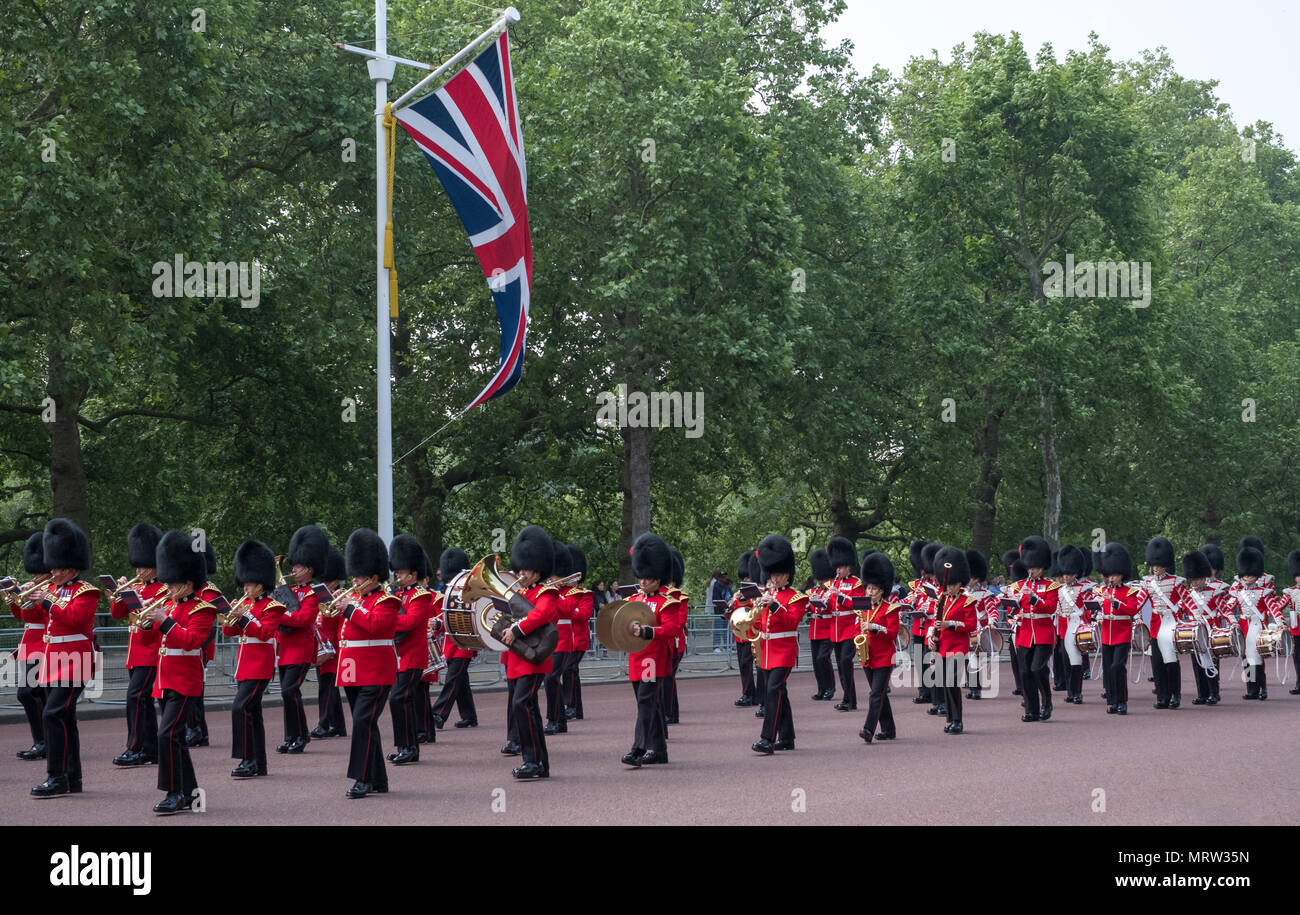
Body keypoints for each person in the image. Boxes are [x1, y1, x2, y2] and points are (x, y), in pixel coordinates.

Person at [140, 529, 216, 814]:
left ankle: (173, 793)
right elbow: (149, 640)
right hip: (165, 680)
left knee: (166, 735)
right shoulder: (167, 606)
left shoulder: (202, 610)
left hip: (186, 681)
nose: (167, 588)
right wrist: (146, 620)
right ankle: (192, 795)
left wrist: (164, 621)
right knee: (177, 739)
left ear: (187, 582)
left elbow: (193, 642)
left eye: (172, 584)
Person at [30, 519, 98, 799]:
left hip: (75, 661)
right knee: (65, 718)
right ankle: (73, 776)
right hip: (52, 661)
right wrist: (23, 600)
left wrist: (46, 600)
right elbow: (33, 619)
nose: (53, 571)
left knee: (52, 713)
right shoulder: (54, 590)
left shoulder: (87, 591)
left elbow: (74, 619)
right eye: (52, 567)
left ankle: (55, 776)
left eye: (57, 568)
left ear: (71, 567)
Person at [336, 528, 401, 798]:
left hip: (376, 671)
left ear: (374, 577)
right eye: (354, 574)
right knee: (366, 723)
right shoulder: (356, 600)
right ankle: (378, 779)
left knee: (363, 722)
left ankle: (362, 778)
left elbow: (375, 626)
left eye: (359, 575)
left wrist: (350, 608)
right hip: (352, 670)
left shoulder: (388, 601)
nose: (355, 579)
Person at [499, 525, 562, 779]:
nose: (521, 573)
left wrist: (516, 628)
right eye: (520, 568)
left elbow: (542, 614)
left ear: (538, 568)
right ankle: (538, 762)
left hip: (534, 657)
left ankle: (532, 760)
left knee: (521, 704)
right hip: (519, 657)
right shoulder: (521, 593)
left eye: (525, 569)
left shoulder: (546, 591)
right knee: (527, 708)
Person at [222, 540, 286, 778]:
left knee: (241, 707)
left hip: (259, 666)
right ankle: (259, 763)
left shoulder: (273, 607)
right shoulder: (245, 604)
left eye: (249, 583)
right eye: (244, 583)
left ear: (261, 584)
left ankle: (247, 760)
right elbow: (229, 632)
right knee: (253, 713)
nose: (245, 587)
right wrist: (232, 616)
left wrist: (246, 616)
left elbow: (265, 633)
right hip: (244, 665)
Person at [622, 533, 683, 767]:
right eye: (641, 577)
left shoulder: (668, 601)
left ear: (658, 578)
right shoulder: (633, 600)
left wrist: (648, 631)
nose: (643, 581)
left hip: (653, 658)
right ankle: (659, 750)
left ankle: (638, 748)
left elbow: (672, 629)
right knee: (648, 703)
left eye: (647, 577)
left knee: (646, 702)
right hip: (636, 658)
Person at [109, 524, 164, 767]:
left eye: (143, 566)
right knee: (141, 702)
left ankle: (135, 747)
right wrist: (120, 593)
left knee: (135, 698)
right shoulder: (139, 586)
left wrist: (138, 599)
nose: (139, 570)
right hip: (135, 653)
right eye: (138, 566)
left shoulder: (163, 589)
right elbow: (116, 612)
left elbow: (152, 622)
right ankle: (149, 749)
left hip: (151, 653)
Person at [751, 536, 807, 754]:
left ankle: (767, 738)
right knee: (779, 692)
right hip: (765, 651)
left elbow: (792, 621)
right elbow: (757, 623)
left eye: (778, 574)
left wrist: (773, 606)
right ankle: (787, 737)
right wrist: (752, 615)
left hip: (784, 652)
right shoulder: (767, 595)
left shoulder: (796, 598)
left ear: (788, 575)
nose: (774, 578)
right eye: (772, 574)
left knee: (773, 690)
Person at [276, 525, 328, 754]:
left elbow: (302, 619)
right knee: (286, 693)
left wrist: (279, 614)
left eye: (298, 566)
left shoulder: (312, 593)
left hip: (301, 649)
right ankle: (291, 736)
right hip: (285, 647)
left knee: (290, 691)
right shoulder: (288, 591)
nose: (293, 569)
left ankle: (302, 735)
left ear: (308, 569)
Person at [387, 534, 435, 765]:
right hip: (398, 656)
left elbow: (410, 622)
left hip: (413, 656)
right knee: (399, 700)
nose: (397, 576)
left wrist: (385, 620)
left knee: (399, 699)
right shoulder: (397, 595)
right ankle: (405, 746)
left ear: (414, 574)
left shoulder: (421, 596)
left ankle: (410, 747)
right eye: (396, 573)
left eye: (401, 573)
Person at [927, 546, 977, 735]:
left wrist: (950, 624)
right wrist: (931, 636)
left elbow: (971, 625)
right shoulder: (942, 600)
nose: (947, 588)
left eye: (951, 585)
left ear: (959, 583)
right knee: (945, 683)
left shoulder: (967, 601)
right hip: (942, 646)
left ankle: (958, 720)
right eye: (946, 585)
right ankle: (950, 717)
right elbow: (934, 621)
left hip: (958, 647)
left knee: (952, 682)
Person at [1225, 544, 1284, 700]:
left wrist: (1280, 623)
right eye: (1244, 574)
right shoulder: (1238, 593)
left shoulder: (1264, 592)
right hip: (1244, 626)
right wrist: (1233, 622)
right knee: (1246, 657)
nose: (1246, 577)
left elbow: (1274, 609)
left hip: (1258, 625)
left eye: (1249, 575)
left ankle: (1262, 688)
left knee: (1256, 657)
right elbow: (1226, 609)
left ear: (1256, 575)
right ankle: (1251, 689)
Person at [10, 532, 50, 762]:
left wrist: (39, 598)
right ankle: (41, 741)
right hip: (29, 645)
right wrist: (17, 597)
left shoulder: (50, 591)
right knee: (30, 695)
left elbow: (50, 618)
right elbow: (22, 616)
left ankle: (46, 741)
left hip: (45, 645)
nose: (35, 576)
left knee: (33, 694)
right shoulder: (35, 587)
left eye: (39, 572)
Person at [1011, 535, 1060, 722]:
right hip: (1025, 633)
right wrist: (1013, 605)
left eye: (1036, 568)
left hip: (1043, 633)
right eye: (1030, 567)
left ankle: (1046, 702)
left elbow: (1050, 608)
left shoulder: (1051, 586)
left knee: (1038, 668)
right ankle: (1031, 710)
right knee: (1025, 672)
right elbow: (1014, 608)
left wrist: (1034, 599)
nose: (1032, 571)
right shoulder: (1020, 586)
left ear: (1043, 567)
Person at [431, 548, 478, 728]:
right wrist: (438, 625)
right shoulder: (449, 590)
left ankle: (439, 714)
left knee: (453, 679)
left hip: (465, 642)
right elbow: (449, 617)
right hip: (451, 642)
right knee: (460, 680)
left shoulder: (469, 590)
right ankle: (469, 716)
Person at [1095, 543, 1144, 715]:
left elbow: (1132, 610)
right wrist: (1096, 609)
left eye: (1114, 575)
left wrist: (1114, 602)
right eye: (1109, 575)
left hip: (1122, 632)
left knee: (1117, 666)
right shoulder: (1101, 590)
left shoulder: (1130, 592)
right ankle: (1112, 701)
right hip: (1107, 633)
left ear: (1121, 575)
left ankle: (1122, 701)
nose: (1111, 578)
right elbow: (1091, 609)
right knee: (1108, 668)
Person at [857, 552, 900, 743]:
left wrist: (875, 628)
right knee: (880, 693)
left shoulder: (891, 608)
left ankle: (868, 729)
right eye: (868, 588)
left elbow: (892, 633)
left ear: (882, 590)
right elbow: (854, 627)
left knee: (875, 693)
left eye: (874, 588)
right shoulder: (862, 605)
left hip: (884, 656)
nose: (870, 591)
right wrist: (858, 640)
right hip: (867, 655)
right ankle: (889, 729)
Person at [1178, 550, 1225, 705]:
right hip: (1194, 632)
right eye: (1193, 580)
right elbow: (1179, 610)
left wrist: (1233, 622)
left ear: (1204, 577)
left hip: (1210, 631)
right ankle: (1202, 693)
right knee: (1197, 662)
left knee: (1210, 662)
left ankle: (1214, 692)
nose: (1195, 583)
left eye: (1198, 579)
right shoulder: (1188, 595)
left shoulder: (1214, 593)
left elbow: (1225, 609)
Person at [310, 547, 348, 738]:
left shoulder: (339, 596)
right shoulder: (322, 596)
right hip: (322, 645)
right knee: (329, 687)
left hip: (332, 647)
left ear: (334, 580)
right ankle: (339, 726)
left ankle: (324, 725)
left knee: (326, 687)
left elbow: (331, 623)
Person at [1054, 546, 1094, 704]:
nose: (1065, 577)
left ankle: (1077, 692)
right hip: (1064, 629)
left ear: (1075, 574)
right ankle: (1070, 692)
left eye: (1068, 574)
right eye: (1064, 574)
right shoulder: (1059, 590)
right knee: (1065, 661)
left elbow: (1090, 608)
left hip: (1077, 628)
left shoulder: (1084, 589)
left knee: (1076, 660)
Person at [826, 537, 862, 712]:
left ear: (849, 566)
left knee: (846, 662)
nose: (838, 569)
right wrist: (822, 603)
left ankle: (850, 699)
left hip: (849, 628)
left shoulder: (857, 583)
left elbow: (861, 605)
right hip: (835, 628)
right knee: (840, 665)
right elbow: (831, 607)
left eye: (840, 567)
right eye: (837, 567)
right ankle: (848, 698)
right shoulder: (834, 583)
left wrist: (840, 596)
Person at [543, 543, 575, 735]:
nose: (551, 578)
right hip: (548, 639)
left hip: (563, 640)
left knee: (551, 678)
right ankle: (560, 721)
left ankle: (553, 719)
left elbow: (568, 610)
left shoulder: (570, 592)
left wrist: (554, 592)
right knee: (552, 680)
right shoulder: (548, 591)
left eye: (555, 575)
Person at [561, 544, 592, 722]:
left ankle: (570, 705)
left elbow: (584, 614)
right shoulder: (558, 592)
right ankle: (577, 708)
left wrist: (566, 608)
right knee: (572, 671)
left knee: (568, 669)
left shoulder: (583, 593)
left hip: (578, 640)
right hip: (562, 640)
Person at [806, 548, 836, 700]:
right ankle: (821, 688)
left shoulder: (832, 592)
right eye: (819, 579)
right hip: (815, 630)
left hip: (828, 629)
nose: (820, 582)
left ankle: (830, 687)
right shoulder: (813, 592)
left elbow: (832, 608)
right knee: (816, 662)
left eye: (823, 579)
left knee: (823, 658)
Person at [731, 552, 758, 706]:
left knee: (749, 664)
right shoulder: (740, 594)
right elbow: (735, 615)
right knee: (743, 665)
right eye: (744, 578)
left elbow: (755, 610)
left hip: (752, 633)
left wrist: (745, 600)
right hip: (739, 634)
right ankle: (749, 693)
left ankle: (750, 695)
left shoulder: (757, 594)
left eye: (748, 577)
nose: (746, 580)